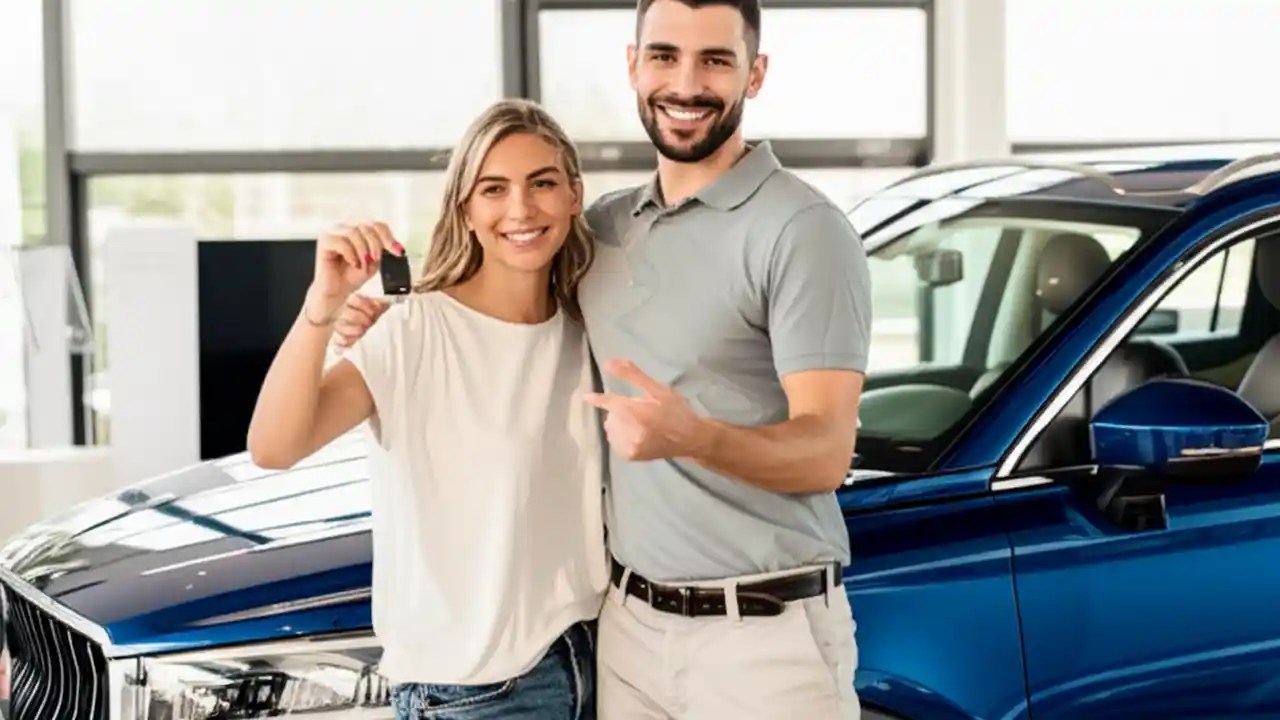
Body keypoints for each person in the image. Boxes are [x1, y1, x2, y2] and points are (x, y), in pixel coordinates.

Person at [335, 1, 870, 717]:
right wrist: (377, 314)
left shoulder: (804, 230)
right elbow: (501, 280)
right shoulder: (602, 231)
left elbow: (825, 453)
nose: (686, 83)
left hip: (762, 642)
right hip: (625, 635)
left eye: (716, 59)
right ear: (633, 66)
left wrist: (695, 437)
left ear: (756, 73)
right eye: (664, 56)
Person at [246, 98, 607, 720]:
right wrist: (323, 305)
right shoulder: (413, 332)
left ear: (574, 195)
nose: (521, 208)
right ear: (466, 209)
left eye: (541, 183)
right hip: (475, 696)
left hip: (592, 662)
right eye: (494, 189)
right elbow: (274, 447)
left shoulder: (590, 329)